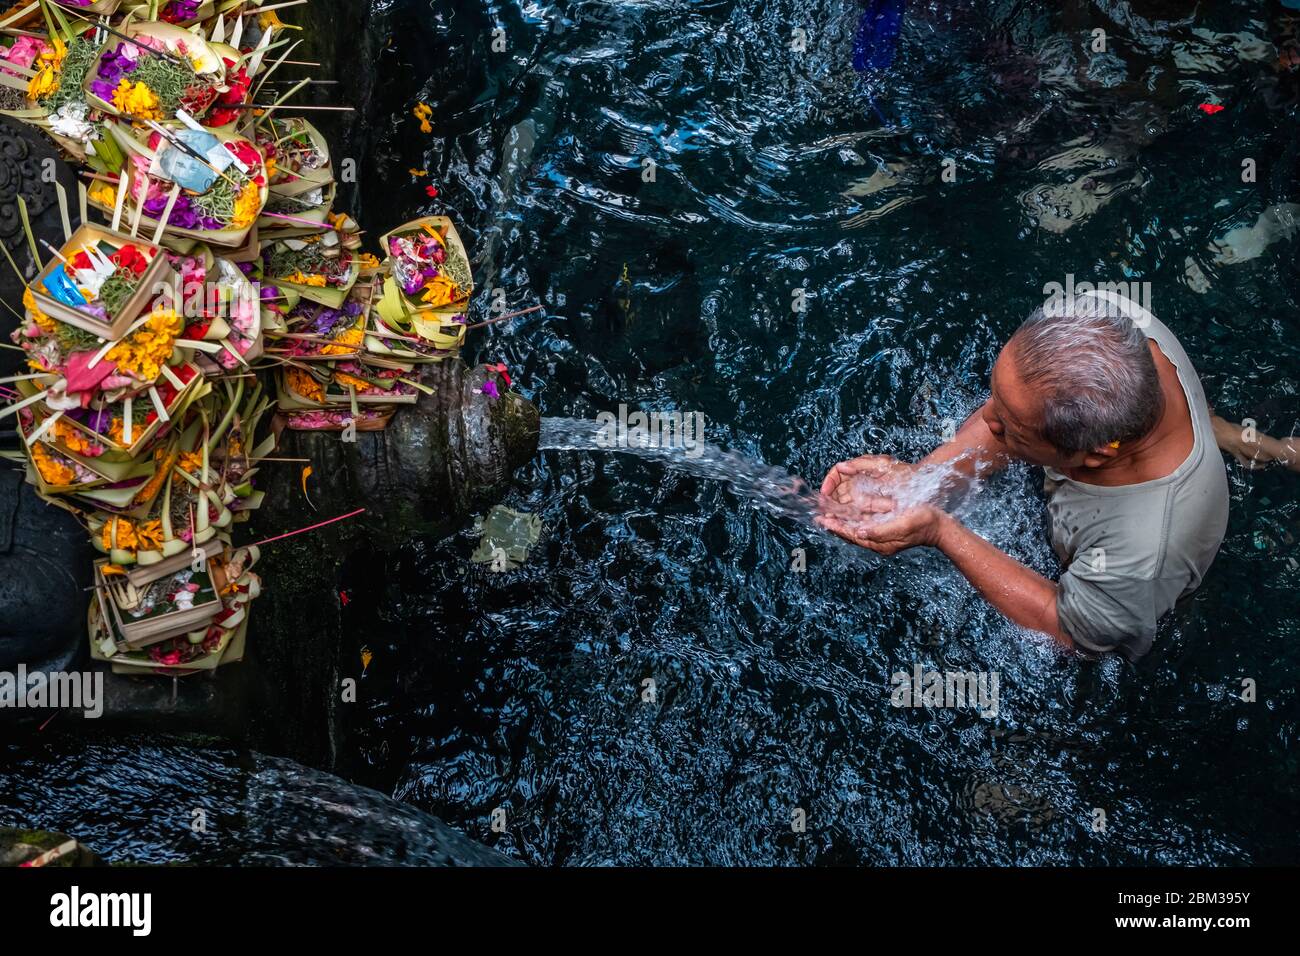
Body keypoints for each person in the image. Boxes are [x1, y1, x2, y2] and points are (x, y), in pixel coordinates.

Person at [818, 289, 1229, 660]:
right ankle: (1235, 436)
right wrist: (918, 483)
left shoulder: (1143, 551)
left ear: (1096, 453)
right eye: (995, 397)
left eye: (1006, 426)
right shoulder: (1093, 314)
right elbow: (1018, 410)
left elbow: (1070, 632)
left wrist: (940, 531)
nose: (984, 419)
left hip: (1133, 599)